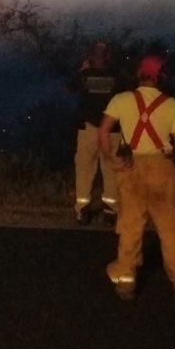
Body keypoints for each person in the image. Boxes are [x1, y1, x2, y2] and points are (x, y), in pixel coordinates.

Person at [98, 55, 175, 301]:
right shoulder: (172, 104)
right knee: (171, 228)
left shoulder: (121, 99)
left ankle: (125, 282)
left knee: (130, 225)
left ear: (139, 74)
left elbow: (103, 130)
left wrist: (111, 159)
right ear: (160, 77)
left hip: (130, 166)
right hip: (161, 168)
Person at [71, 41, 121, 226]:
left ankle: (82, 210)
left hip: (88, 129)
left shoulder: (84, 75)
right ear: (107, 56)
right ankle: (111, 211)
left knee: (84, 168)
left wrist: (82, 71)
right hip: (112, 129)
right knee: (112, 169)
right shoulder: (117, 76)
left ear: (91, 56)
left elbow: (71, 88)